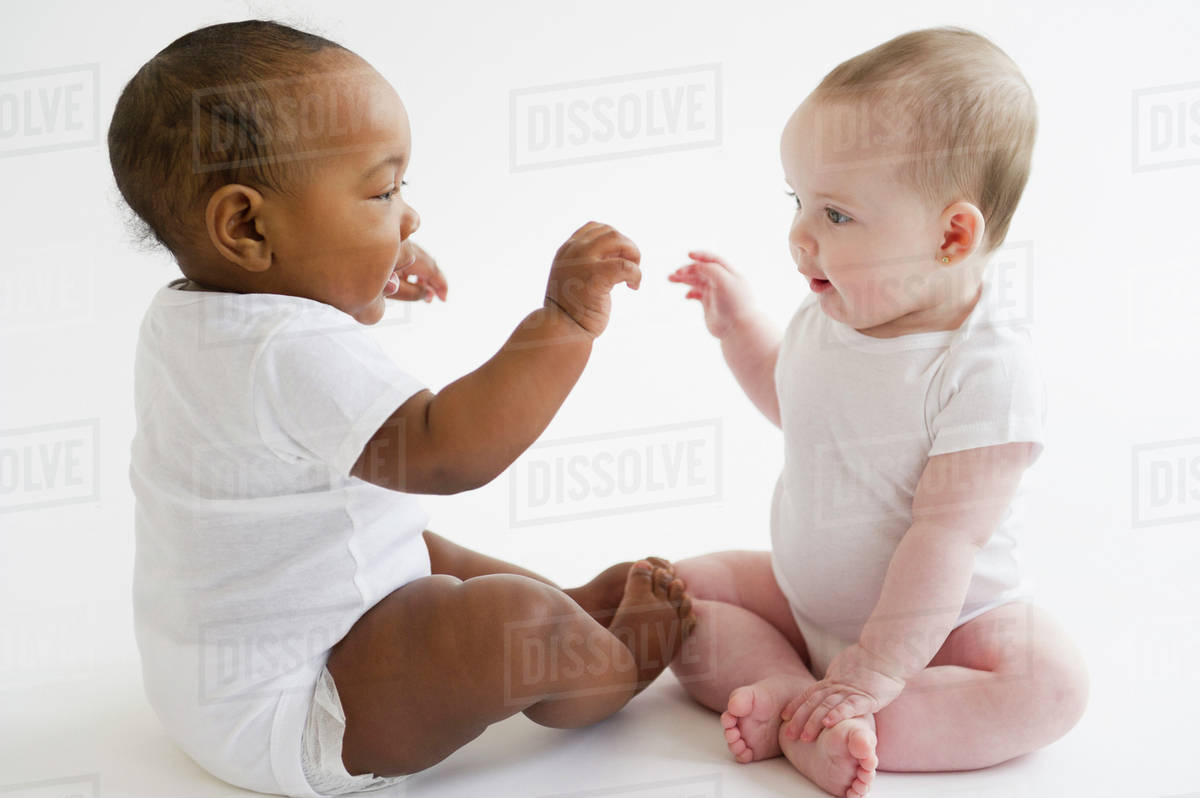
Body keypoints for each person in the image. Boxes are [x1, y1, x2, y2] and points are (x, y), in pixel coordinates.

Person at [111, 20, 695, 798]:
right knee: (505, 624)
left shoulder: (187, 317)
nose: (408, 218)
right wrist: (564, 321)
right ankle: (611, 664)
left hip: (210, 688)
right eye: (382, 193)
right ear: (248, 227)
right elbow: (449, 451)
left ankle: (574, 609)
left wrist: (363, 263)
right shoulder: (287, 346)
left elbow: (292, 368)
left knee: (408, 543)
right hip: (306, 708)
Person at [666, 27, 1088, 798]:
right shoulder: (832, 311)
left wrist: (876, 669)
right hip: (806, 601)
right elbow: (797, 407)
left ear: (951, 236)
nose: (799, 236)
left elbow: (946, 537)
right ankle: (793, 695)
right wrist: (738, 330)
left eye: (836, 215)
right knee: (678, 595)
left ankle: (856, 721)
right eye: (798, 201)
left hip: (943, 633)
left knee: (1050, 683)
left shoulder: (987, 370)